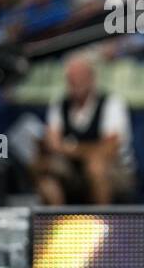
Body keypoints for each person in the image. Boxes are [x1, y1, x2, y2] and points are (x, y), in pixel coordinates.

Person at [34, 53, 137, 205]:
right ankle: (55, 224)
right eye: (71, 79)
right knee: (44, 169)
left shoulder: (111, 103)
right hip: (72, 168)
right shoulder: (60, 103)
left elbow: (109, 149)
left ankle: (101, 223)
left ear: (92, 78)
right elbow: (53, 144)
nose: (76, 82)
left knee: (95, 166)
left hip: (115, 170)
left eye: (80, 77)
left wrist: (71, 149)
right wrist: (80, 150)